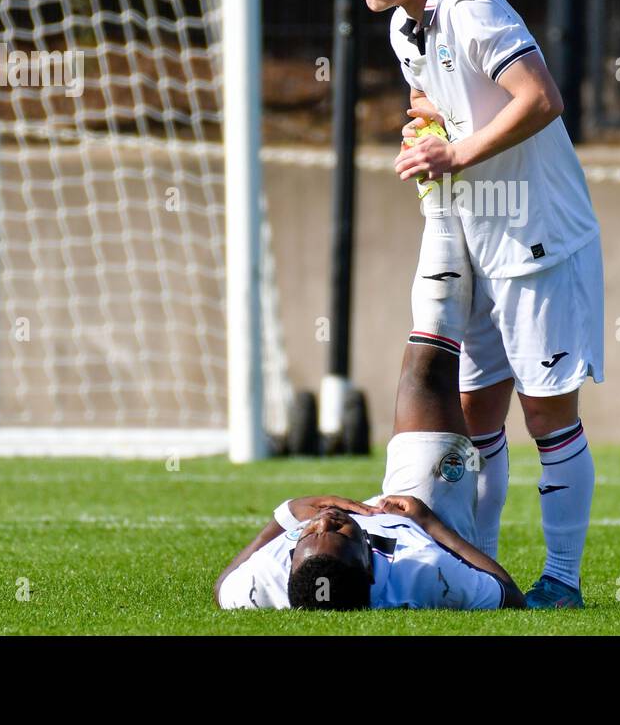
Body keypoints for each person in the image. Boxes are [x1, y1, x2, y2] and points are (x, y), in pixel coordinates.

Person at [338, 0, 603, 608]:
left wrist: (455, 154)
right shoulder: (405, 27)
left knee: (548, 414)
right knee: (474, 410)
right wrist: (425, 132)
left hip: (538, 238)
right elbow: (445, 104)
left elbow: (540, 97)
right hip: (479, 237)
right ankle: (481, 566)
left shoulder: (471, 6)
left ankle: (564, 582)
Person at [213, 191, 525, 610]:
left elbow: (224, 586)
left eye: (309, 535)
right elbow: (508, 597)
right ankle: (442, 199)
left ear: (288, 567)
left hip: (385, 526)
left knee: (442, 384)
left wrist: (287, 515)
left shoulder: (263, 585)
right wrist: (427, 522)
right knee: (427, 373)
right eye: (339, 533)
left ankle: (449, 207)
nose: (327, 520)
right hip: (421, 526)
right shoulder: (423, 574)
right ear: (371, 567)